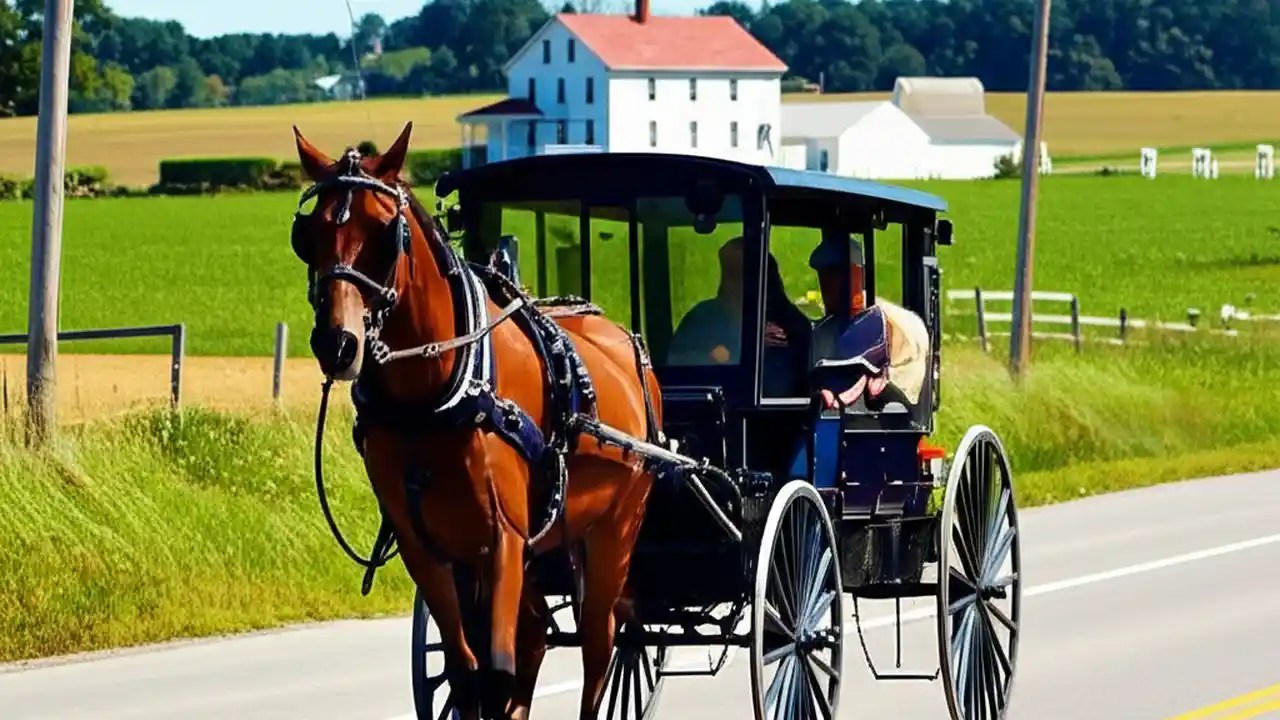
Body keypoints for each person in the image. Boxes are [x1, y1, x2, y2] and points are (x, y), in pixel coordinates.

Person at [667, 237, 812, 397]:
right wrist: (722, 352)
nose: (726, 286)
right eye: (726, 276)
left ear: (761, 281)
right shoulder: (702, 319)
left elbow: (787, 390)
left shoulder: (791, 326)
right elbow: (676, 364)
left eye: (735, 277)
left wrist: (758, 350)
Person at [806, 231, 930, 410]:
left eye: (832, 276)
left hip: (887, 414)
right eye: (824, 277)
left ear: (855, 273)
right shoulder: (830, 327)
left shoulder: (877, 323)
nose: (827, 286)